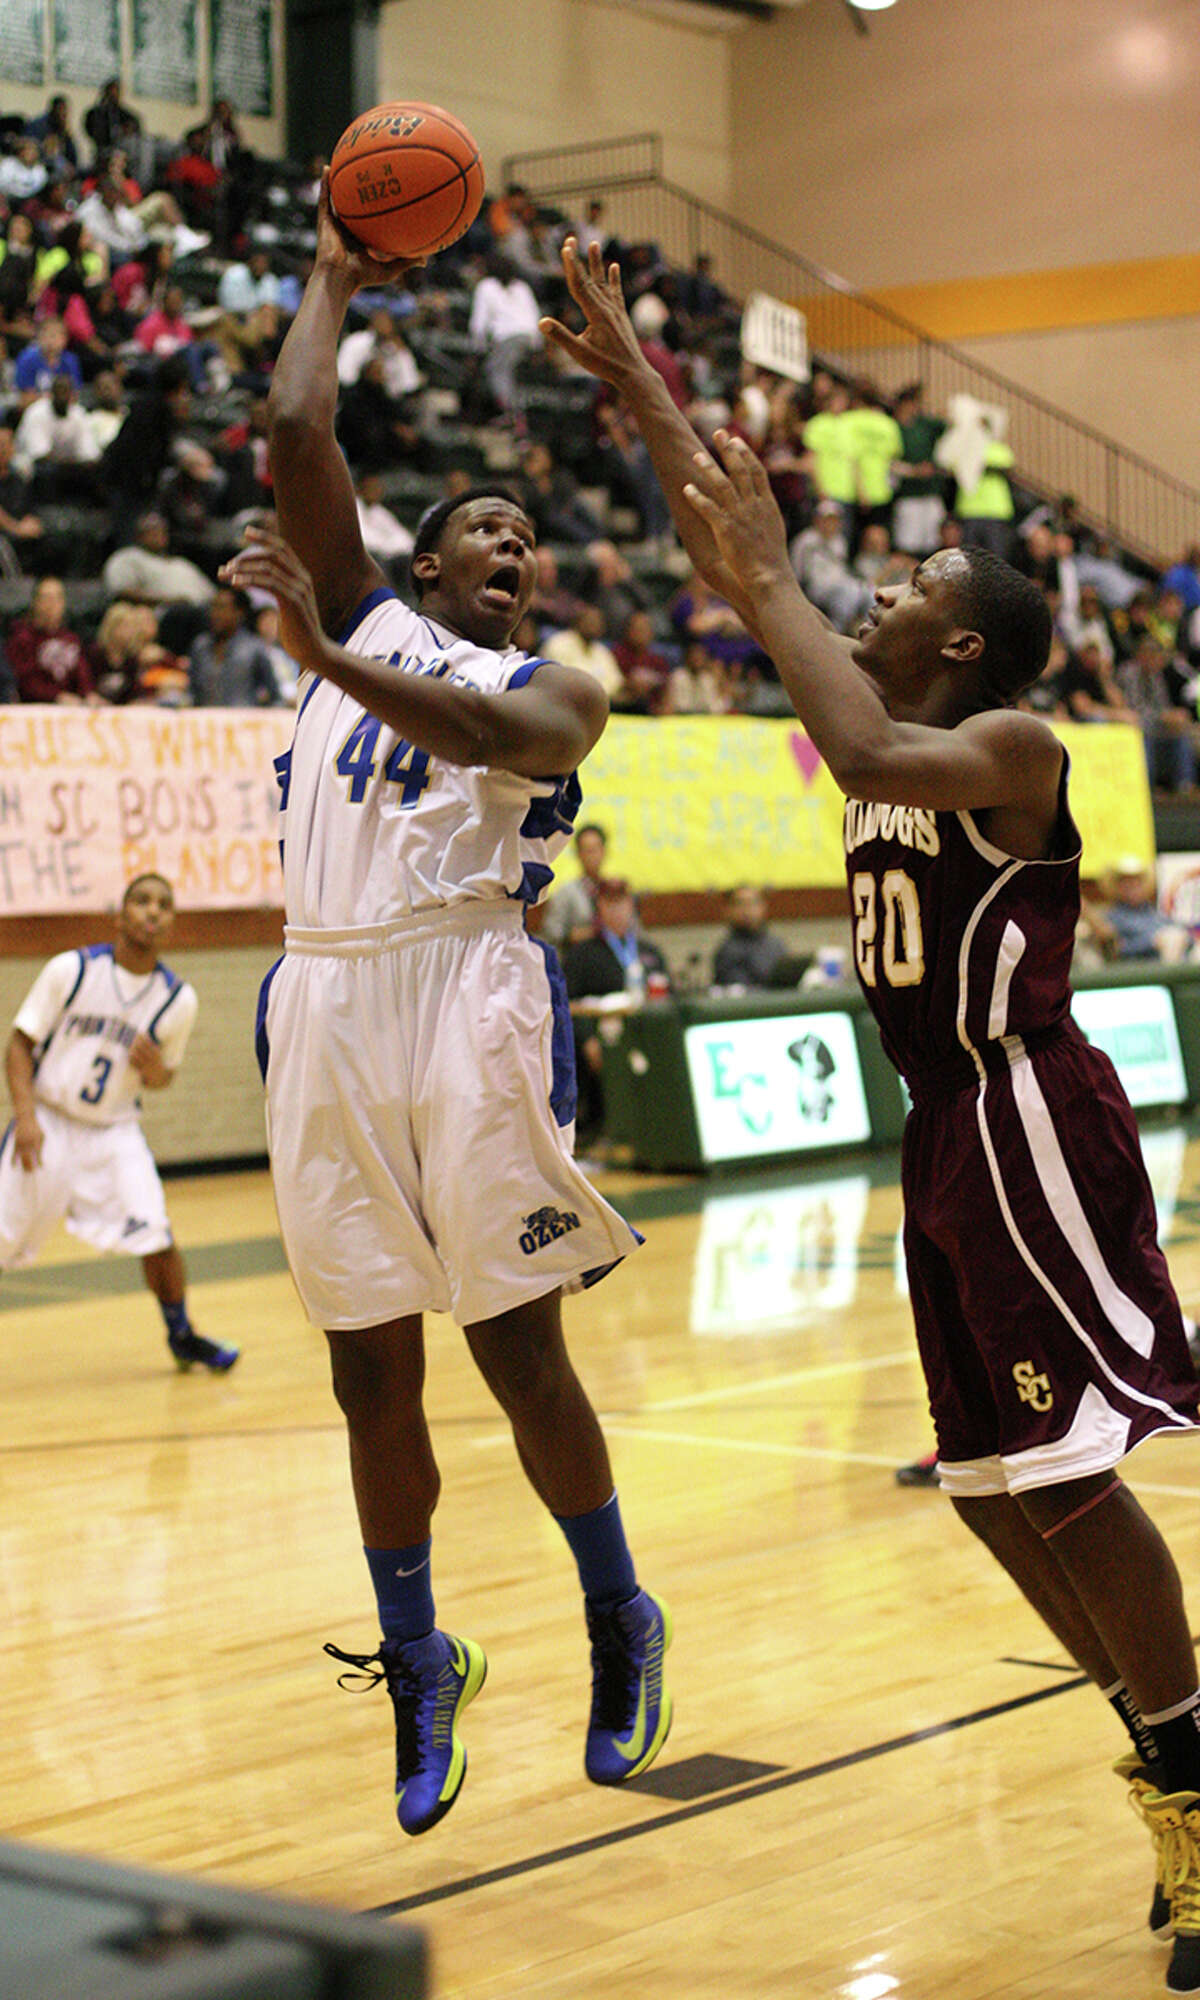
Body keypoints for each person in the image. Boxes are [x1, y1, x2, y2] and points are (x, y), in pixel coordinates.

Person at [543, 236, 1200, 1992]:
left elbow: (851, 736)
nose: (873, 590)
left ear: (962, 638)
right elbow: (724, 525)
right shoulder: (878, 679)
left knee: (1069, 1476)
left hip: (1027, 1118)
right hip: (939, 1134)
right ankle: (1176, 1760)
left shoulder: (1009, 748)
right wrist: (637, 380)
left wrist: (759, 578)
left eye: (907, 580)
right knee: (993, 1492)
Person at [215, 177, 670, 1842]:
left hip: (468, 999)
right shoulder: (375, 609)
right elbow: (289, 422)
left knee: (515, 1349)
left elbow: (512, 749)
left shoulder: (562, 681)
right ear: (422, 557)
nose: (521, 550)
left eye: (534, 542)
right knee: (363, 1377)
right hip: (324, 1001)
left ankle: (620, 1612)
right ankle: (420, 1660)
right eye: (491, 528)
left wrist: (318, 659)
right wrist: (335, 268)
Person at [0, 875, 237, 1375]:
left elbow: (163, 1077)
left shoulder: (177, 999)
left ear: (171, 922)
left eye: (165, 905)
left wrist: (154, 1072)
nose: (154, 912)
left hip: (113, 1132)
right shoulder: (73, 970)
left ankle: (182, 1334)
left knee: (156, 1233)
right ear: (120, 914)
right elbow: (19, 1045)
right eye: (142, 901)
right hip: (49, 1119)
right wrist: (25, 1118)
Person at [540, 822, 610, 955]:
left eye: (596, 849)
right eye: (587, 850)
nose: (593, 856)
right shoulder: (565, 893)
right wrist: (576, 935)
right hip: (576, 961)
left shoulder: (612, 890)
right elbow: (551, 933)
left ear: (604, 851)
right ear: (579, 854)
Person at [711, 884, 799, 989]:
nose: (747, 910)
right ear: (729, 910)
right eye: (741, 904)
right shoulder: (727, 952)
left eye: (753, 903)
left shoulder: (776, 945)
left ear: (763, 907)